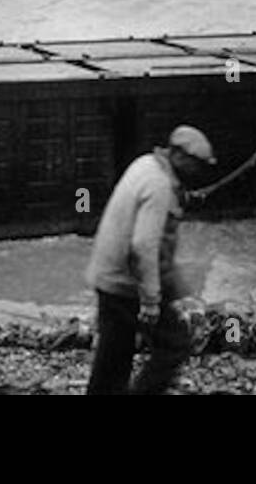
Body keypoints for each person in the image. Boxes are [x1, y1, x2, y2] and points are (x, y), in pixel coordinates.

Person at [85, 124, 217, 394]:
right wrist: (151, 301)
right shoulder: (159, 186)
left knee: (114, 355)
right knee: (174, 343)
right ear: (179, 156)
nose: (199, 173)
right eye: (196, 165)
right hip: (125, 281)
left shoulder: (145, 164)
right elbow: (144, 246)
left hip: (106, 273)